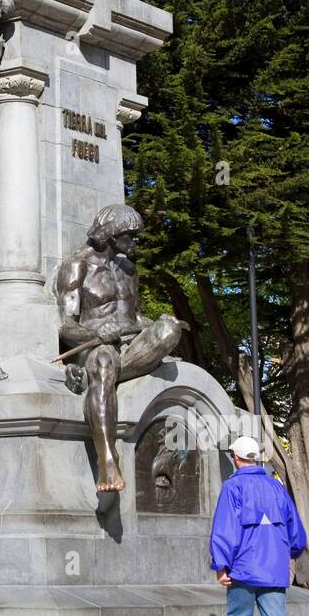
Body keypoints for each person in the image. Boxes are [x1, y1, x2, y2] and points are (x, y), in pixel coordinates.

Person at [55, 204, 183, 491]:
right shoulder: (77, 267)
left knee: (169, 330)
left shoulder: (128, 269)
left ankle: (96, 377)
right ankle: (107, 461)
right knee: (103, 363)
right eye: (131, 235)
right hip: (96, 346)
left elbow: (135, 319)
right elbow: (66, 327)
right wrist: (96, 331)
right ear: (112, 235)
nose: (135, 241)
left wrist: (159, 323)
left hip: (130, 345)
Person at [210, 435, 307, 616]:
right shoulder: (277, 488)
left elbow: (225, 529)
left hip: (242, 570)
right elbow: (296, 532)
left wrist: (221, 565)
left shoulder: (233, 487)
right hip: (274, 572)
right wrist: (289, 554)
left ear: (236, 458)